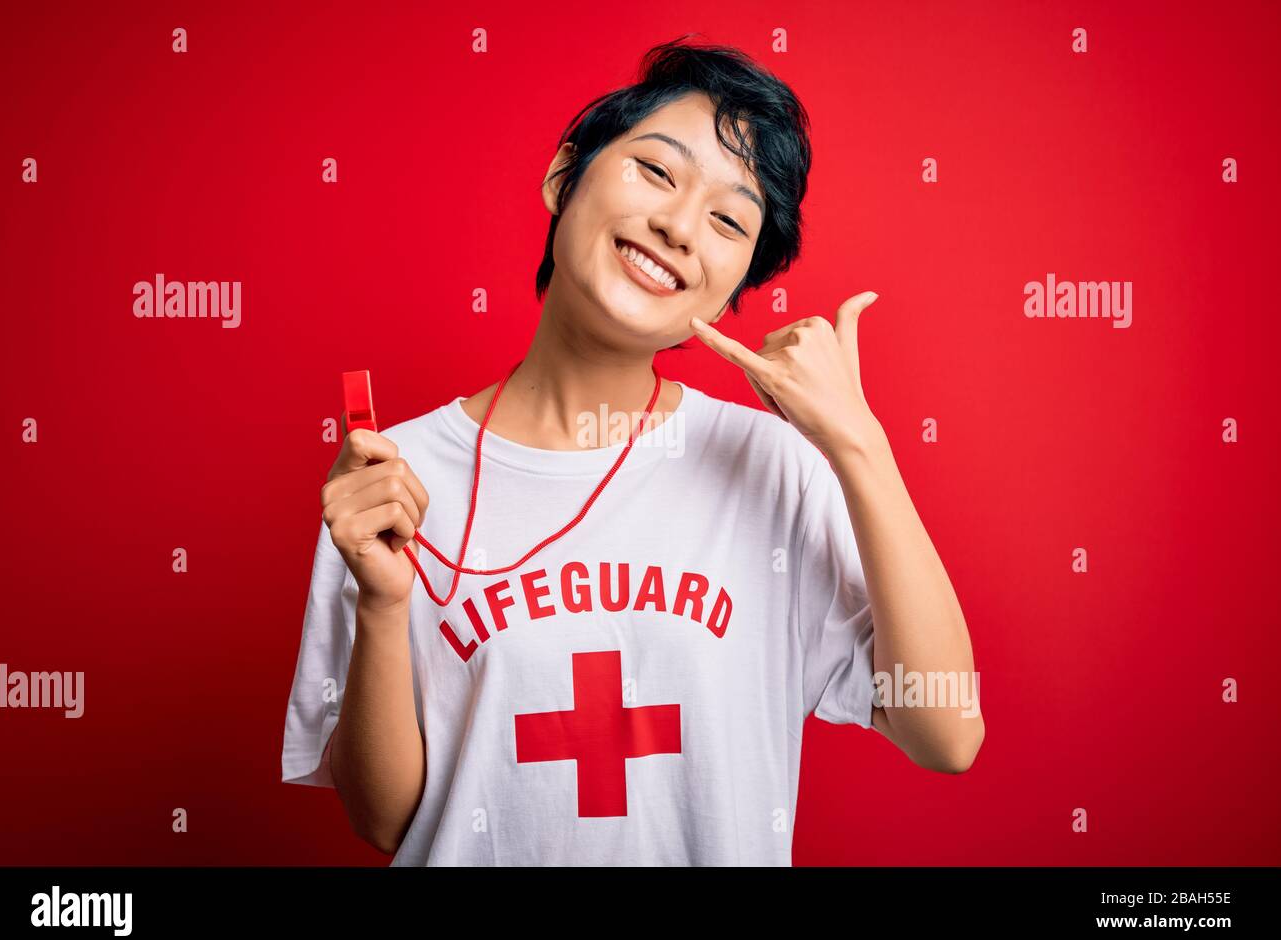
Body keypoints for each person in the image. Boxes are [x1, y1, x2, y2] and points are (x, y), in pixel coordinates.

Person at [281, 35, 983, 866]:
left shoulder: (777, 468)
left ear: (731, 292)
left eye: (730, 220)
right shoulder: (390, 477)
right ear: (562, 175)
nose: (679, 225)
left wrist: (859, 446)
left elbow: (946, 734)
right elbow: (388, 822)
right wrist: (382, 602)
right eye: (656, 171)